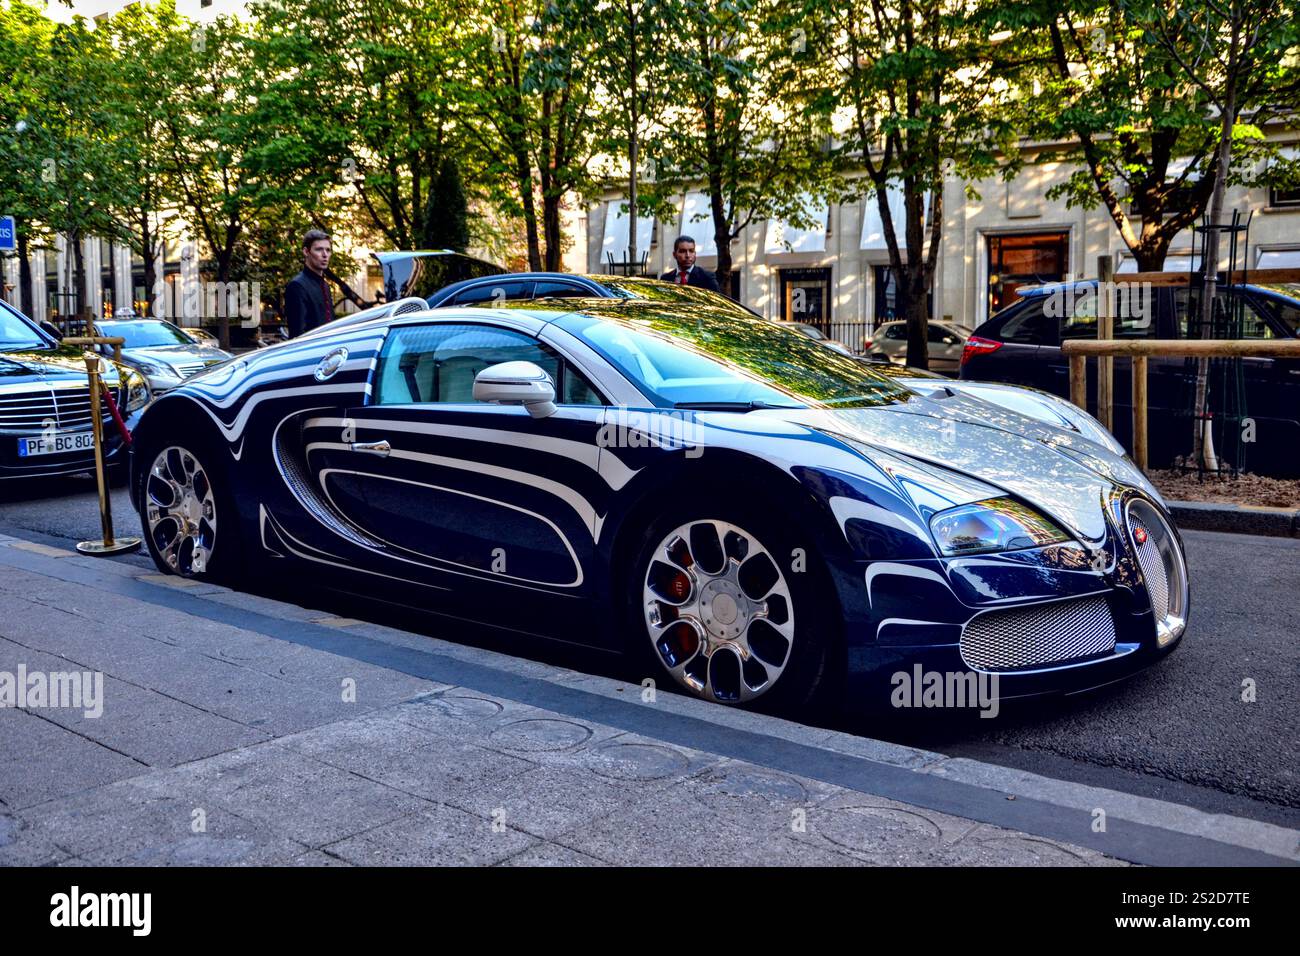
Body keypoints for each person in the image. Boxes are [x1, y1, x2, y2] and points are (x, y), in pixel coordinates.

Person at [283, 229, 335, 338]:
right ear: (306, 252)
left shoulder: (325, 285)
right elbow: (297, 335)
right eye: (319, 249)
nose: (325, 255)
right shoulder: (297, 286)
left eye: (328, 250)